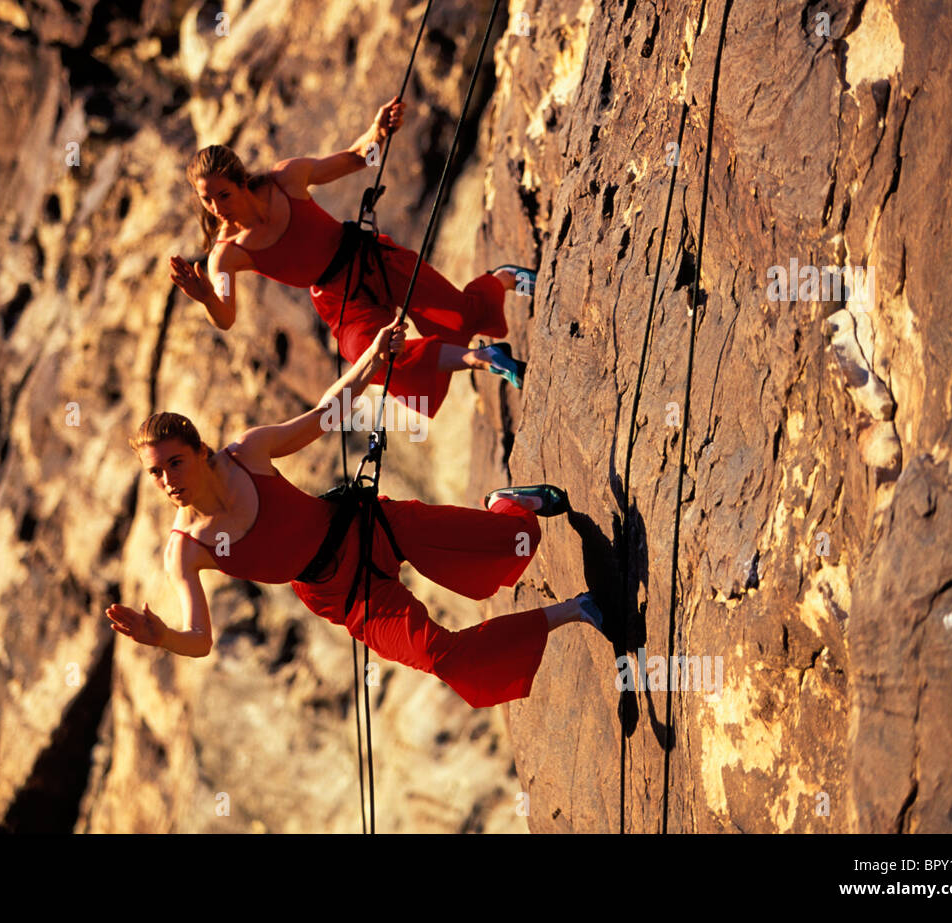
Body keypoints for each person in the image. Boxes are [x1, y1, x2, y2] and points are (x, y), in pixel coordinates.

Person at [107, 319, 613, 709]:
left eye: (174, 463)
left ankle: (508, 506)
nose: (168, 480)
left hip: (369, 527)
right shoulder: (187, 551)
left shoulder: (248, 453)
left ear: (199, 450)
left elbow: (327, 413)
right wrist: (162, 637)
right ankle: (579, 609)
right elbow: (200, 641)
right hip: (343, 594)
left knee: (509, 544)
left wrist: (371, 360)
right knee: (443, 657)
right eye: (156, 473)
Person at [168, 95, 532, 420]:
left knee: (461, 317)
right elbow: (226, 318)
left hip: (372, 258)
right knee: (375, 360)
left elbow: (359, 158)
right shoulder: (227, 255)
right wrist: (206, 299)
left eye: (223, 195)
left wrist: (378, 133)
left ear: (241, 182)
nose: (216, 208)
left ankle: (503, 278)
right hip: (340, 301)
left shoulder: (286, 178)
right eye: (206, 200)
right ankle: (484, 359)